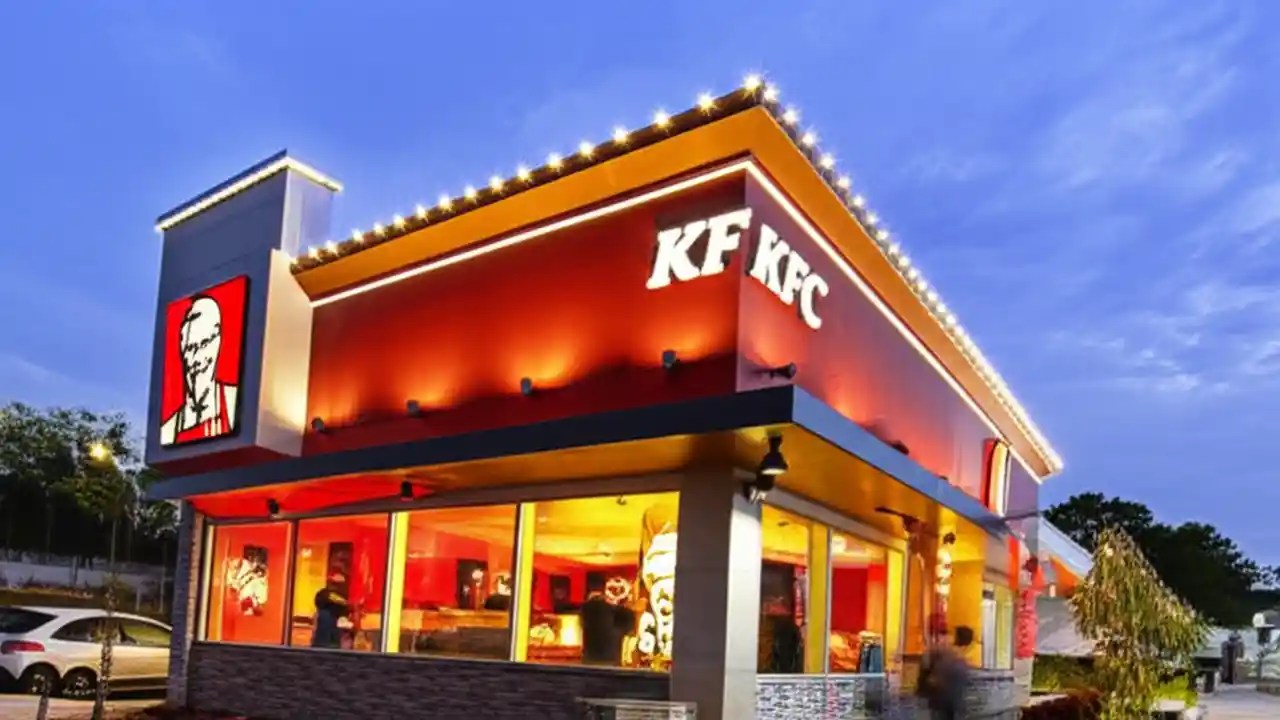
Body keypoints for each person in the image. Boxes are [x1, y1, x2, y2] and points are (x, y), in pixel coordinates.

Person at [160, 295, 239, 445]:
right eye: (190, 348)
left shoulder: (234, 402)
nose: (196, 358)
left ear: (217, 342)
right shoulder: (168, 432)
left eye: (204, 344)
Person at [917, 625, 973, 720]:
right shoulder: (958, 660)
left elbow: (931, 679)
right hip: (950, 704)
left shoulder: (946, 656)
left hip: (941, 703)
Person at [580, 587, 636, 666]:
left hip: (589, 663)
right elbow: (630, 626)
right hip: (610, 663)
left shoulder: (586, 612)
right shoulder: (619, 613)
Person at [311, 573, 350, 649]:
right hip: (325, 628)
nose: (336, 587)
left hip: (334, 629)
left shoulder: (342, 597)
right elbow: (328, 598)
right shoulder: (324, 594)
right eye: (334, 584)